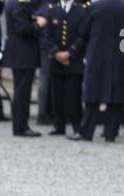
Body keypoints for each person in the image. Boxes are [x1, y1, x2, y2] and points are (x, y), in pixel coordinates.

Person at [75, 0, 124, 143]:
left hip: (97, 55)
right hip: (119, 57)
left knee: (92, 95)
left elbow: (84, 32)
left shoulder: (95, 7)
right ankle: (111, 132)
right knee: (116, 96)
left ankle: (86, 132)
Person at [43, 0, 89, 137]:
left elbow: (83, 35)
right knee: (57, 95)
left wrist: (71, 53)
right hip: (56, 60)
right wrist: (55, 52)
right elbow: (46, 36)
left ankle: (77, 125)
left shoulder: (81, 10)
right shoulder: (53, 10)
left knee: (73, 95)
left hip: (74, 60)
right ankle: (59, 125)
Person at [4, 0, 45, 137]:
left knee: (21, 91)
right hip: (23, 53)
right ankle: (20, 126)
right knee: (22, 92)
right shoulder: (20, 4)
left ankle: (21, 124)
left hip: (21, 54)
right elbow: (22, 28)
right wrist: (38, 25)